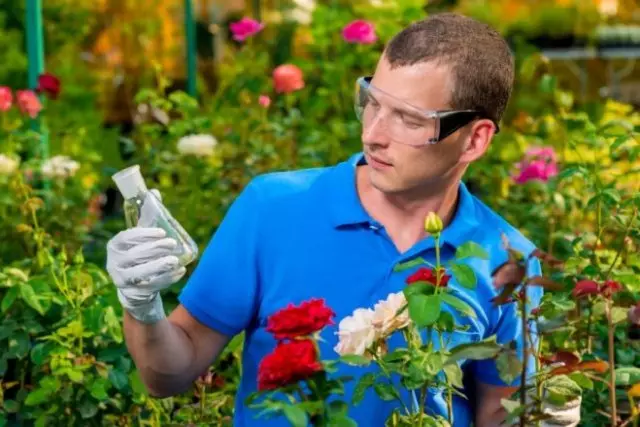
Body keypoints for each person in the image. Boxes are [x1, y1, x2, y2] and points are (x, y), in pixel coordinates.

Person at [106, 13, 582, 427]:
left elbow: (496, 414)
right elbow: (167, 374)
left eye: (408, 119)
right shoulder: (273, 209)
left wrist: (539, 417)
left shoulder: (507, 259)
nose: (373, 134)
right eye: (373, 102)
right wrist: (142, 307)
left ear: (475, 140)